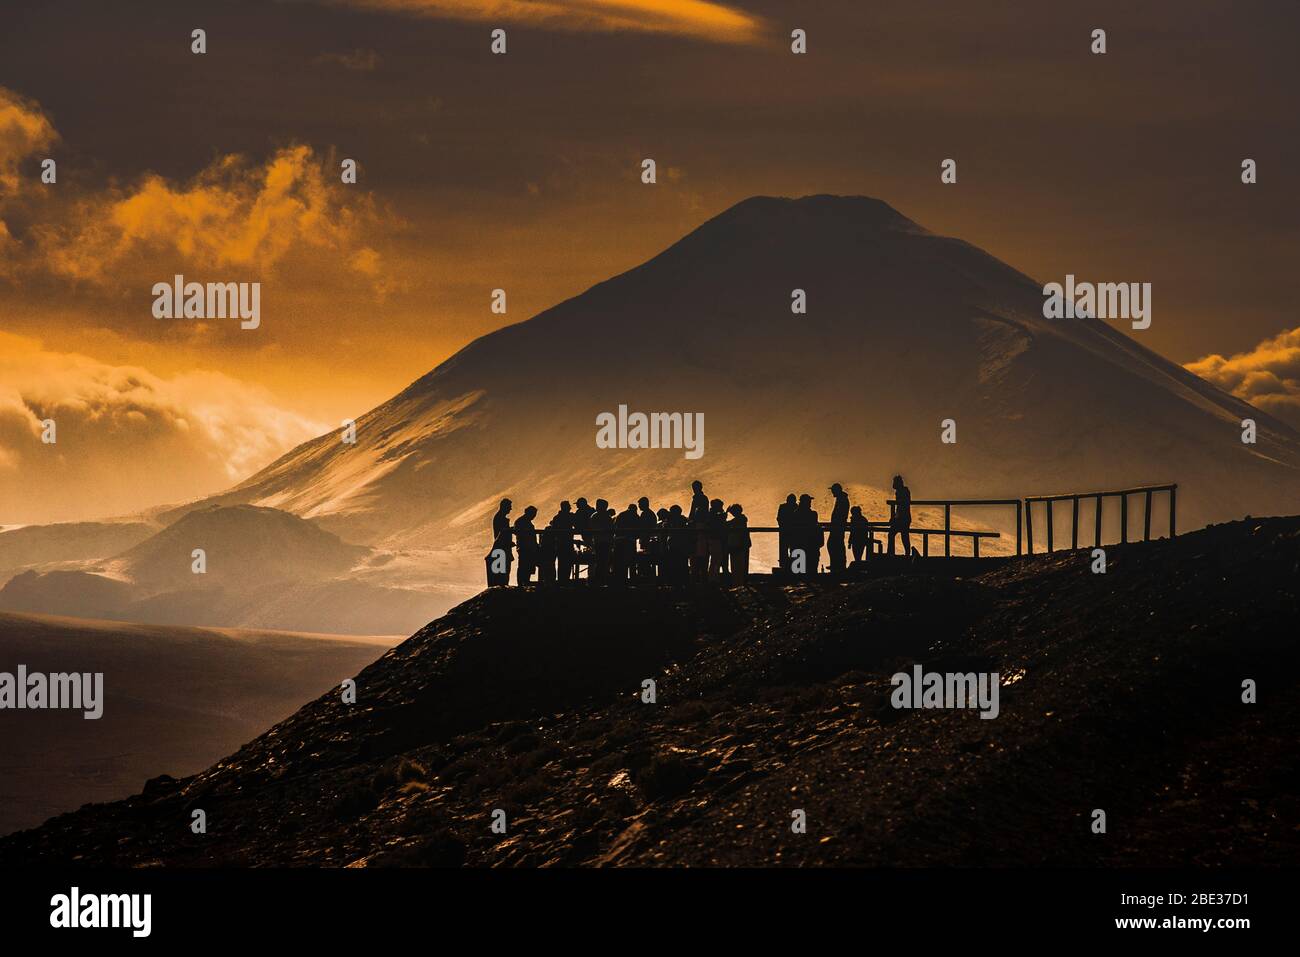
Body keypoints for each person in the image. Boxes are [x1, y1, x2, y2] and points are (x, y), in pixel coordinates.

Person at [487, 498, 513, 585]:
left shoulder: (500, 517)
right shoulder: (499, 518)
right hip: (502, 549)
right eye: (509, 506)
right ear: (504, 506)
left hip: (503, 549)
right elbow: (501, 533)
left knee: (504, 572)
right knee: (502, 573)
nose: (511, 509)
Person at [688, 481, 710, 582]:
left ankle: (699, 573)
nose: (694, 489)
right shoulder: (700, 498)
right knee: (698, 549)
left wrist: (691, 520)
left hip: (699, 525)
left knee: (699, 549)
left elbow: (695, 512)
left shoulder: (700, 498)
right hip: (698, 524)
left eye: (695, 487)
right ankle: (699, 573)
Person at [795, 493, 821, 575]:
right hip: (811, 544)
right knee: (811, 568)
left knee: (799, 569)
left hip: (799, 544)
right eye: (809, 501)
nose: (810, 503)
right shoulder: (813, 514)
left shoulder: (795, 514)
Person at [512, 505, 539, 586]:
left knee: (527, 566)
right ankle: (521, 584)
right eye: (533, 514)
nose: (534, 516)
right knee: (524, 566)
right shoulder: (521, 522)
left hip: (528, 548)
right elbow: (518, 533)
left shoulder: (524, 522)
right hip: (524, 548)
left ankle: (524, 583)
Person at [827, 482, 850, 575]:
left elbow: (840, 514)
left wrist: (836, 523)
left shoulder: (842, 499)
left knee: (834, 544)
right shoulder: (841, 499)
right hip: (837, 526)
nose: (832, 492)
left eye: (833, 490)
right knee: (836, 545)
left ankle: (838, 565)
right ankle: (837, 565)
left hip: (838, 526)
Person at [726, 503, 751, 584]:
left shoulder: (739, 520)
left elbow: (727, 524)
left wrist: (726, 513)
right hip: (740, 544)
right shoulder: (742, 519)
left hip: (738, 544)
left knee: (737, 564)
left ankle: (738, 581)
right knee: (740, 564)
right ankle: (740, 581)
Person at [614, 503, 640, 583]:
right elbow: (639, 530)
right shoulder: (636, 517)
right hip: (631, 542)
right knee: (632, 562)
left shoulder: (621, 515)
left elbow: (615, 526)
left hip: (620, 542)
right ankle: (633, 580)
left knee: (622, 563)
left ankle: (622, 581)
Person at [588, 499, 613, 582]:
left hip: (598, 542)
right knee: (604, 561)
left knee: (599, 561)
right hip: (605, 542)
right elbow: (611, 530)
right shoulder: (607, 517)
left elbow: (591, 528)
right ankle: (603, 578)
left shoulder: (594, 516)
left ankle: (598, 579)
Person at [664, 504, 690, 584]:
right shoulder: (683, 520)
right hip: (682, 546)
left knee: (674, 564)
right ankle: (684, 582)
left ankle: (675, 582)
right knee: (683, 564)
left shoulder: (671, 521)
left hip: (674, 545)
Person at [888, 474, 912, 557]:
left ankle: (905, 553)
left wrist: (895, 517)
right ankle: (905, 553)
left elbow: (901, 507)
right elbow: (899, 507)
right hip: (902, 518)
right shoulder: (901, 491)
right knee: (901, 535)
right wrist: (894, 517)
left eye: (894, 482)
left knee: (902, 535)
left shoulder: (903, 491)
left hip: (903, 518)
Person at [551, 500, 574, 583]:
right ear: (566, 507)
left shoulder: (557, 518)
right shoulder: (569, 517)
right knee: (566, 563)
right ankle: (565, 580)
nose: (570, 508)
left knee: (562, 563)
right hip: (565, 543)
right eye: (569, 506)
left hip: (560, 543)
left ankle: (562, 581)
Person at [706, 499, 728, 580]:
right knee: (716, 559)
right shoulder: (713, 515)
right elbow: (719, 521)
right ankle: (713, 578)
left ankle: (713, 577)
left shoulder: (711, 514)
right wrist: (724, 514)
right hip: (715, 539)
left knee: (715, 560)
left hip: (714, 539)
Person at [776, 493, 797, 573]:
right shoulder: (796, 507)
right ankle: (792, 567)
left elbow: (779, 518)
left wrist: (783, 526)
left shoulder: (783, 507)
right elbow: (779, 519)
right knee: (791, 549)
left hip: (785, 532)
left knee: (785, 550)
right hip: (792, 532)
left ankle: (784, 567)